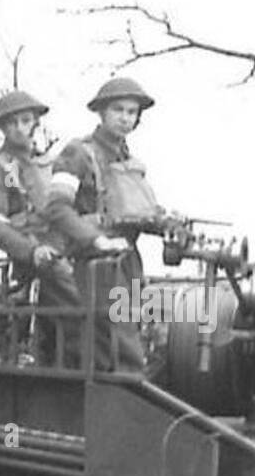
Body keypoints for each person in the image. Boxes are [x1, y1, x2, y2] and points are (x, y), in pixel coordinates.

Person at [43, 75, 174, 373]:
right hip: (95, 265)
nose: (126, 118)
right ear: (102, 112)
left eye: (132, 112)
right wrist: (96, 240)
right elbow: (56, 208)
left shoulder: (131, 162)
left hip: (127, 262)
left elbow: (135, 211)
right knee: (118, 347)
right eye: (119, 110)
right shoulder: (79, 153)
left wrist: (165, 222)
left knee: (132, 335)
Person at [0, 89, 81, 366]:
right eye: (12, 123)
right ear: (2, 128)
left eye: (26, 120)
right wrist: (32, 251)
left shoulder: (50, 165)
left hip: (68, 249)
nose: (20, 128)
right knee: (77, 303)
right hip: (34, 261)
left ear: (36, 122)